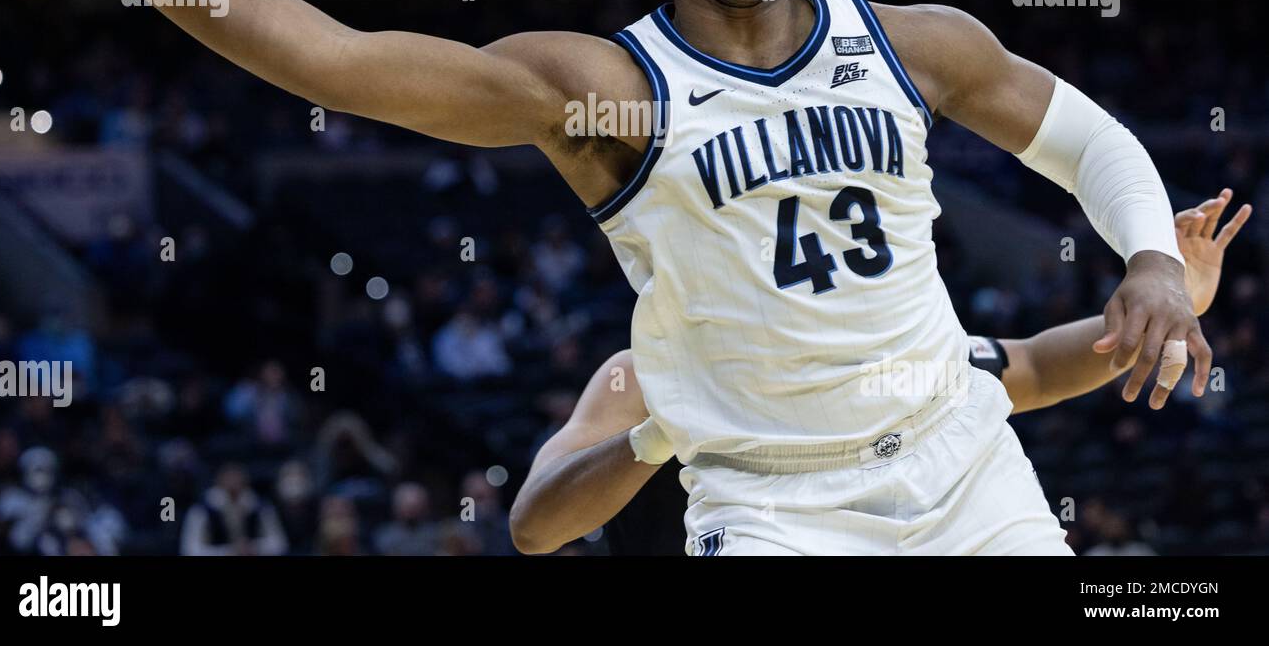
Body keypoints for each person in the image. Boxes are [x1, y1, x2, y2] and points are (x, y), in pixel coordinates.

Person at [15, 0, 1206, 555]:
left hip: (966, 463)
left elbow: (1090, 142)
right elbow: (341, 62)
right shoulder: (609, 88)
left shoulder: (913, 42)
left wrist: (1152, 263)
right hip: (774, 506)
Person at [509, 192, 1251, 554]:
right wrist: (658, 433)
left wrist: (1165, 306)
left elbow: (1026, 363)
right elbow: (534, 525)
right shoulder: (639, 377)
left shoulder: (878, 347)